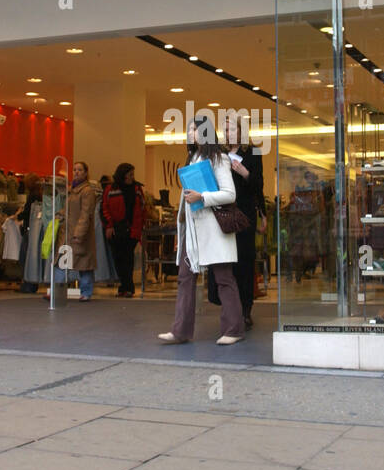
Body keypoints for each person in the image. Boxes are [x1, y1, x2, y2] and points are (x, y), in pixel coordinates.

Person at [159, 115, 244, 345]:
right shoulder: (192, 158)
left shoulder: (219, 159)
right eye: (189, 129)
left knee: (223, 278)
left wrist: (202, 197)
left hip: (213, 226)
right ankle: (180, 330)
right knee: (185, 277)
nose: (190, 133)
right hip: (193, 229)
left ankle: (234, 329)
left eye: (194, 129)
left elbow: (230, 194)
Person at [207, 114, 265, 330]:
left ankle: (246, 309)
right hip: (223, 214)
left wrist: (245, 173)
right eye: (226, 130)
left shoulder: (253, 153)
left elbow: (258, 186)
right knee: (224, 262)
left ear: (241, 131)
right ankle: (229, 307)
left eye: (231, 129)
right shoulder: (219, 154)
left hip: (245, 215)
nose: (227, 133)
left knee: (244, 262)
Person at [103, 162, 147, 297]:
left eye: (133, 174)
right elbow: (104, 208)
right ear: (122, 175)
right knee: (118, 259)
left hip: (132, 230)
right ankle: (123, 286)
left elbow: (142, 209)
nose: (132, 177)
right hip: (116, 229)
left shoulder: (137, 189)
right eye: (130, 174)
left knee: (128, 259)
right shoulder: (110, 189)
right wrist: (109, 225)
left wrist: (139, 228)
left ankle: (128, 287)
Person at [66, 161, 98, 300]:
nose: (76, 172)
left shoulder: (87, 191)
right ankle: (60, 289)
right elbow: (68, 210)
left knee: (84, 263)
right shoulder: (73, 191)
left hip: (81, 233)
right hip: (71, 231)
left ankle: (86, 291)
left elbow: (86, 214)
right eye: (74, 170)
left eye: (79, 170)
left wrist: (79, 233)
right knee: (73, 261)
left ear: (85, 173)